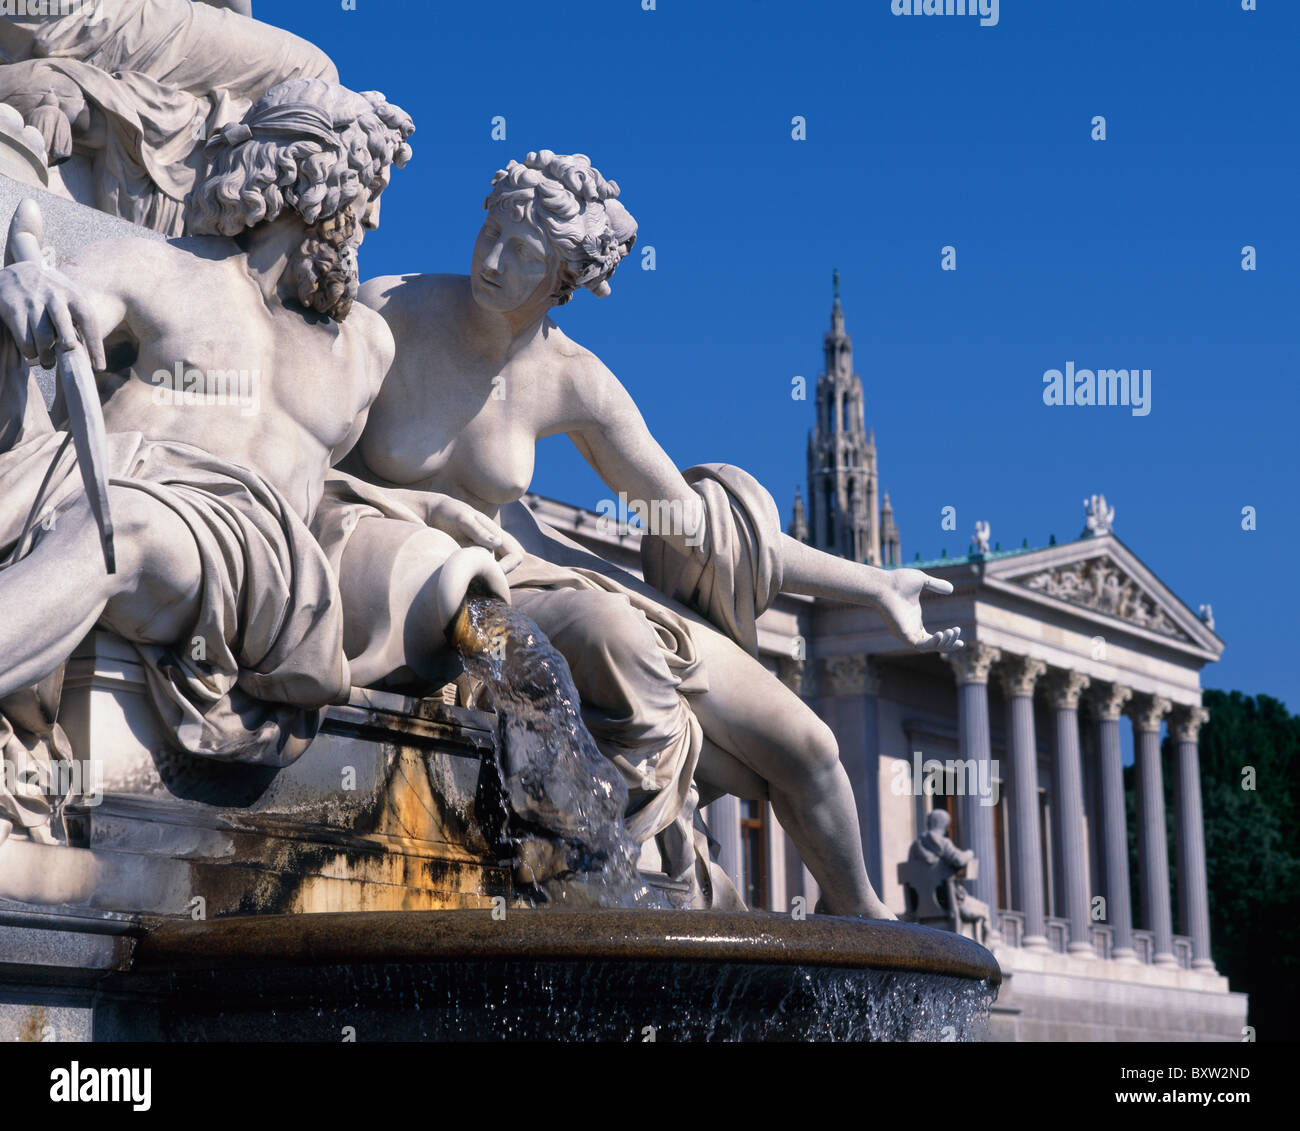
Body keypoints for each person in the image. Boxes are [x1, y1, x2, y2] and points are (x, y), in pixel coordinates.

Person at [314, 150, 964, 917]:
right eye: (491, 233)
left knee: (810, 747)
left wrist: (875, 583)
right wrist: (416, 514)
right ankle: (642, 874)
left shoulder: (574, 379)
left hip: (527, 575)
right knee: (613, 636)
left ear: (565, 279)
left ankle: (866, 927)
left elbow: (698, 530)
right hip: (406, 576)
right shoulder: (388, 311)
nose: (493, 261)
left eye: (525, 253)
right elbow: (299, 457)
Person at [0, 78, 505, 842]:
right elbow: (66, 316)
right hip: (107, 480)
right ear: (302, 180)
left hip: (249, 557)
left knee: (123, 526)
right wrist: (28, 291)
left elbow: (317, 481)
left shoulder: (364, 347)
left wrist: (424, 509)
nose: (368, 218)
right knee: (104, 508)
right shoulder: (162, 270)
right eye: (361, 192)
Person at [907, 809, 990, 939]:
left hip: (919, 910)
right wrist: (970, 853)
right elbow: (959, 859)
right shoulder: (943, 843)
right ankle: (984, 952)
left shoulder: (914, 847)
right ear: (944, 825)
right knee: (984, 909)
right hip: (948, 907)